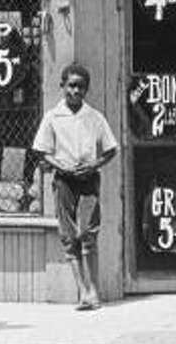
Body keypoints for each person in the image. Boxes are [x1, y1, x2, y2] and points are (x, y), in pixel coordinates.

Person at [31, 63, 117, 310]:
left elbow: (111, 150)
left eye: (80, 87)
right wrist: (59, 165)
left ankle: (95, 292)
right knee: (69, 236)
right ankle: (83, 292)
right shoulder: (52, 117)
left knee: (89, 233)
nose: (75, 91)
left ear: (86, 89)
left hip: (88, 178)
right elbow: (41, 151)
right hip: (64, 178)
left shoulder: (94, 117)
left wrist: (93, 165)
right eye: (71, 85)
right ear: (62, 86)